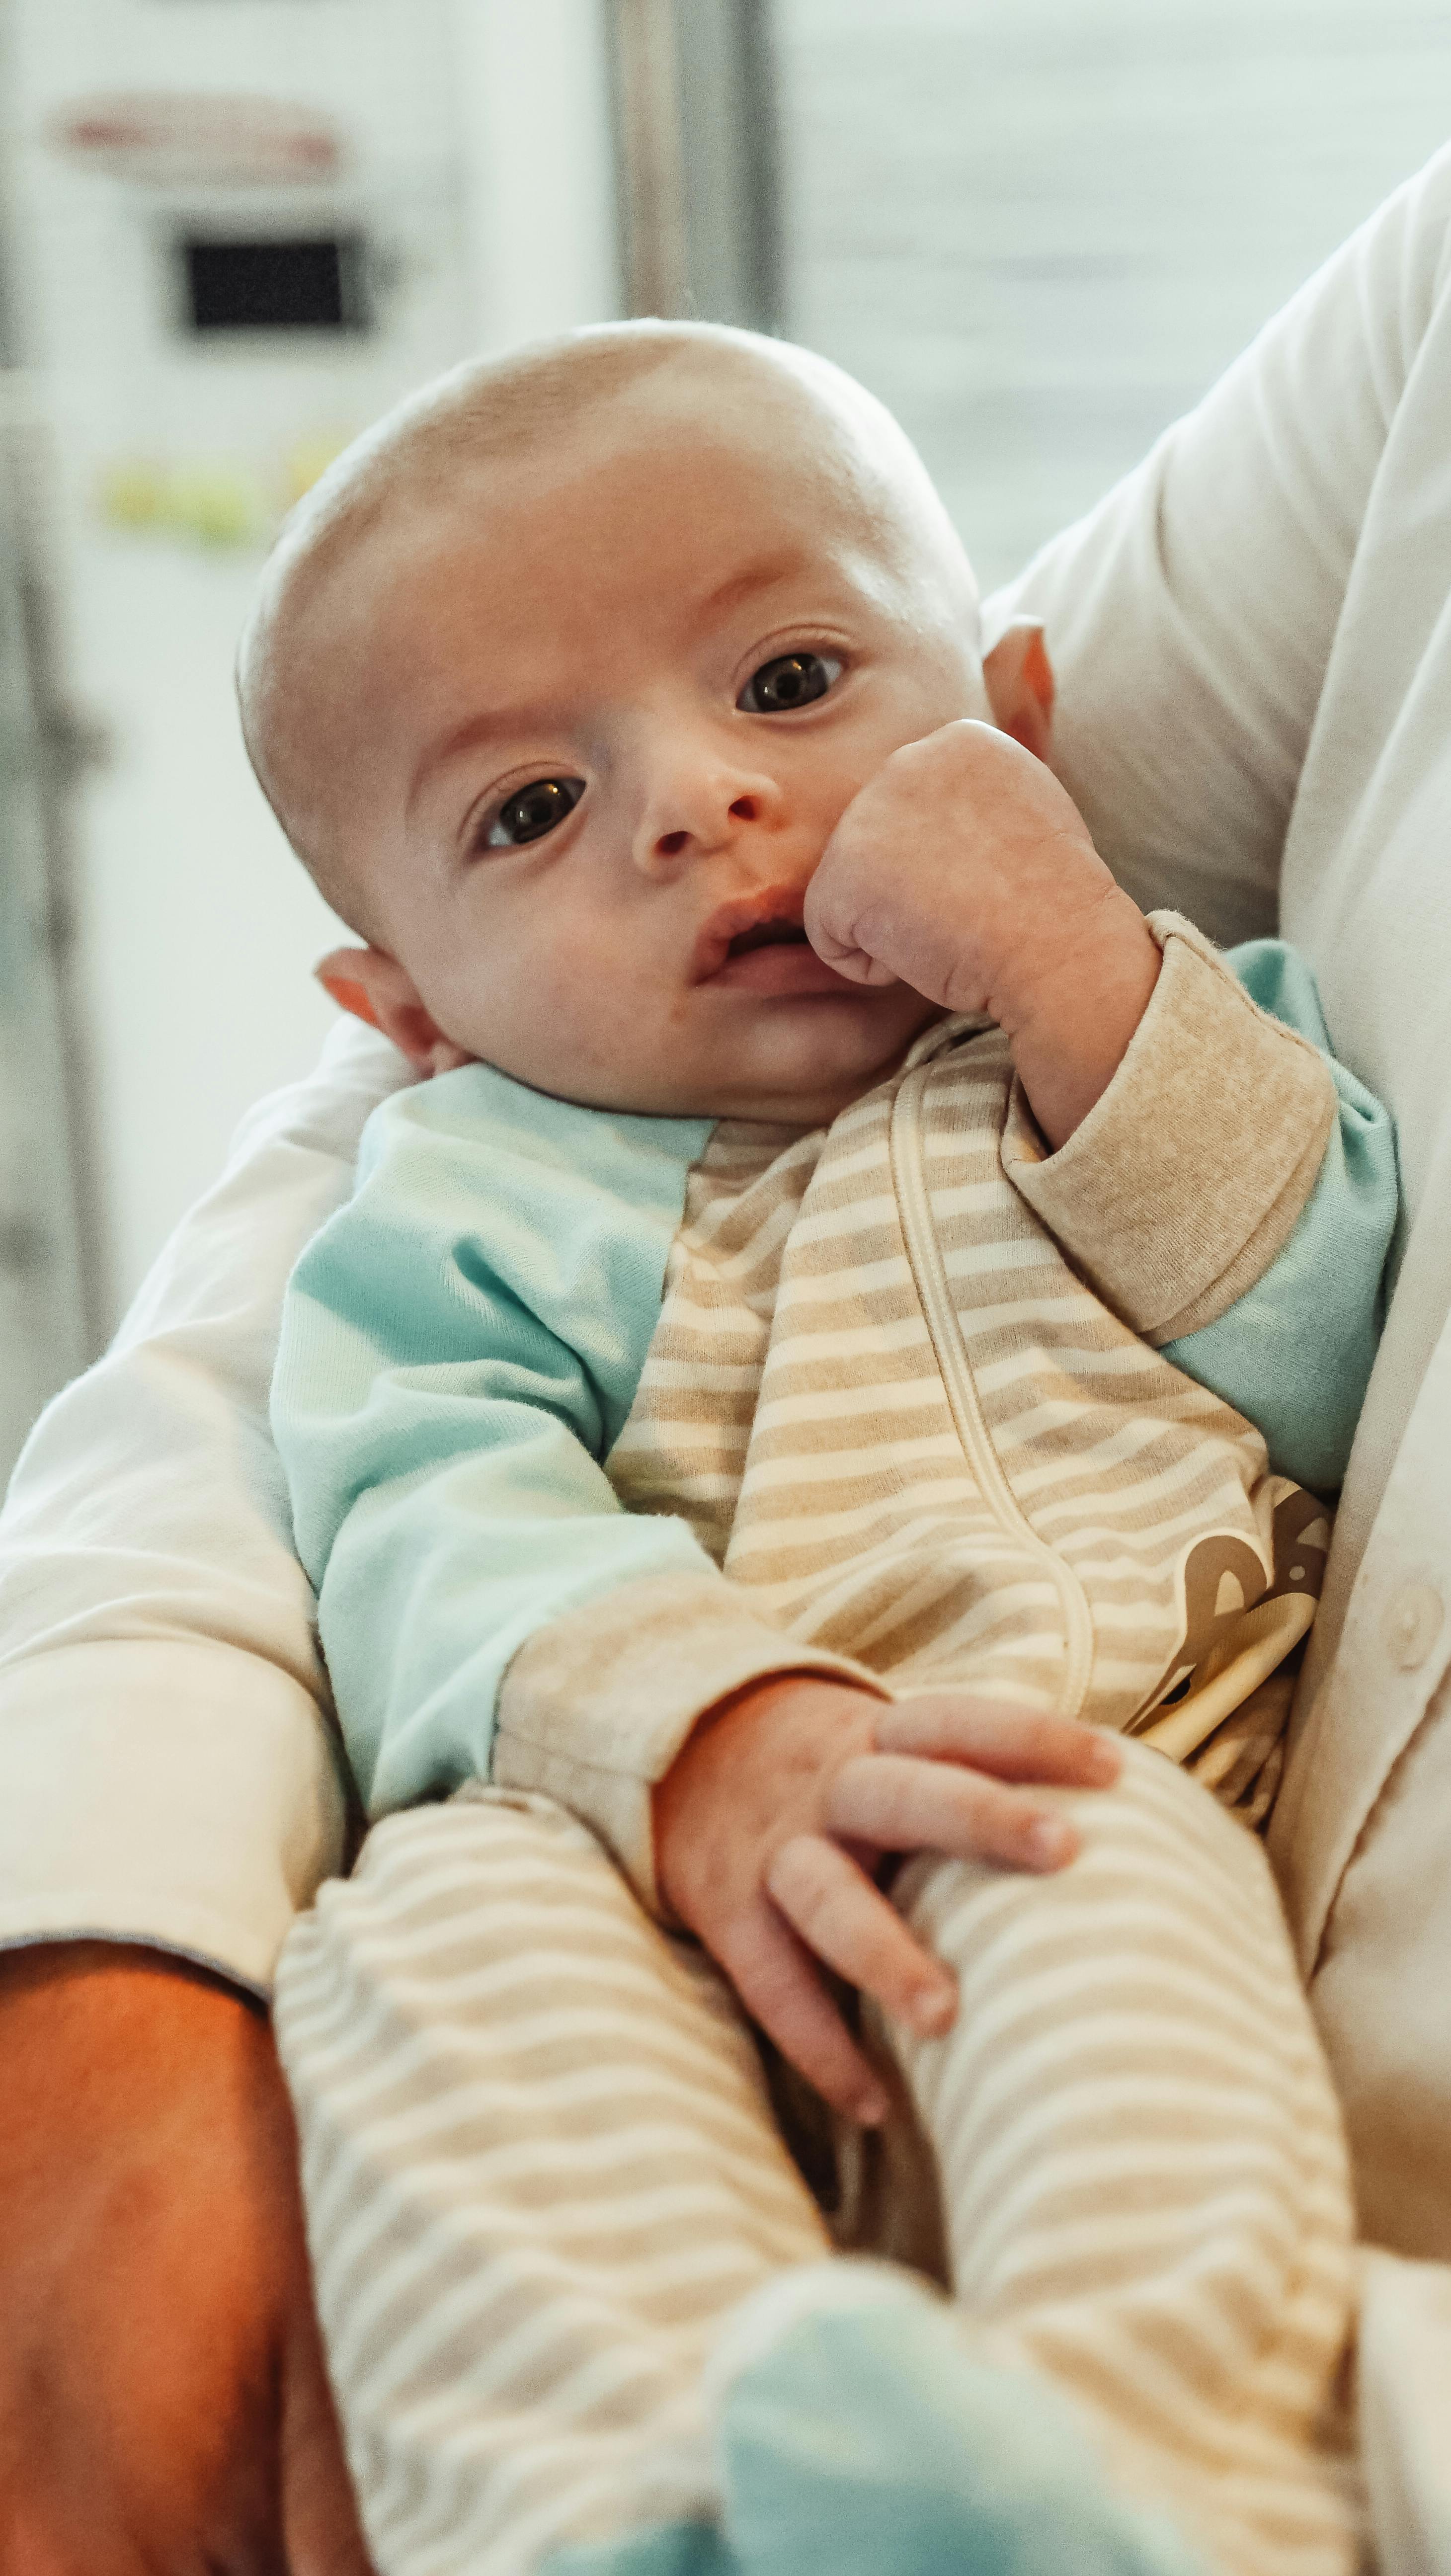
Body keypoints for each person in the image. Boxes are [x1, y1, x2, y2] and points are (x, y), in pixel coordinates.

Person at [3, 139, 1451, 2576]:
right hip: (626, 1859)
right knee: (425, 1967)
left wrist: (1082, 967)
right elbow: (412, 1516)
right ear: (402, 1014)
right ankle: (626, 2520)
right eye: (531, 809)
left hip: (1055, 1801)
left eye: (792, 682)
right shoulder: (466, 1197)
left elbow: (1333, 1342)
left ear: (1013, 713)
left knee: (1123, 1933)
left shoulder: (1150, 1043)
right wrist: (697, 1736)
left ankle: (1104, 2498)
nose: (699, 803)